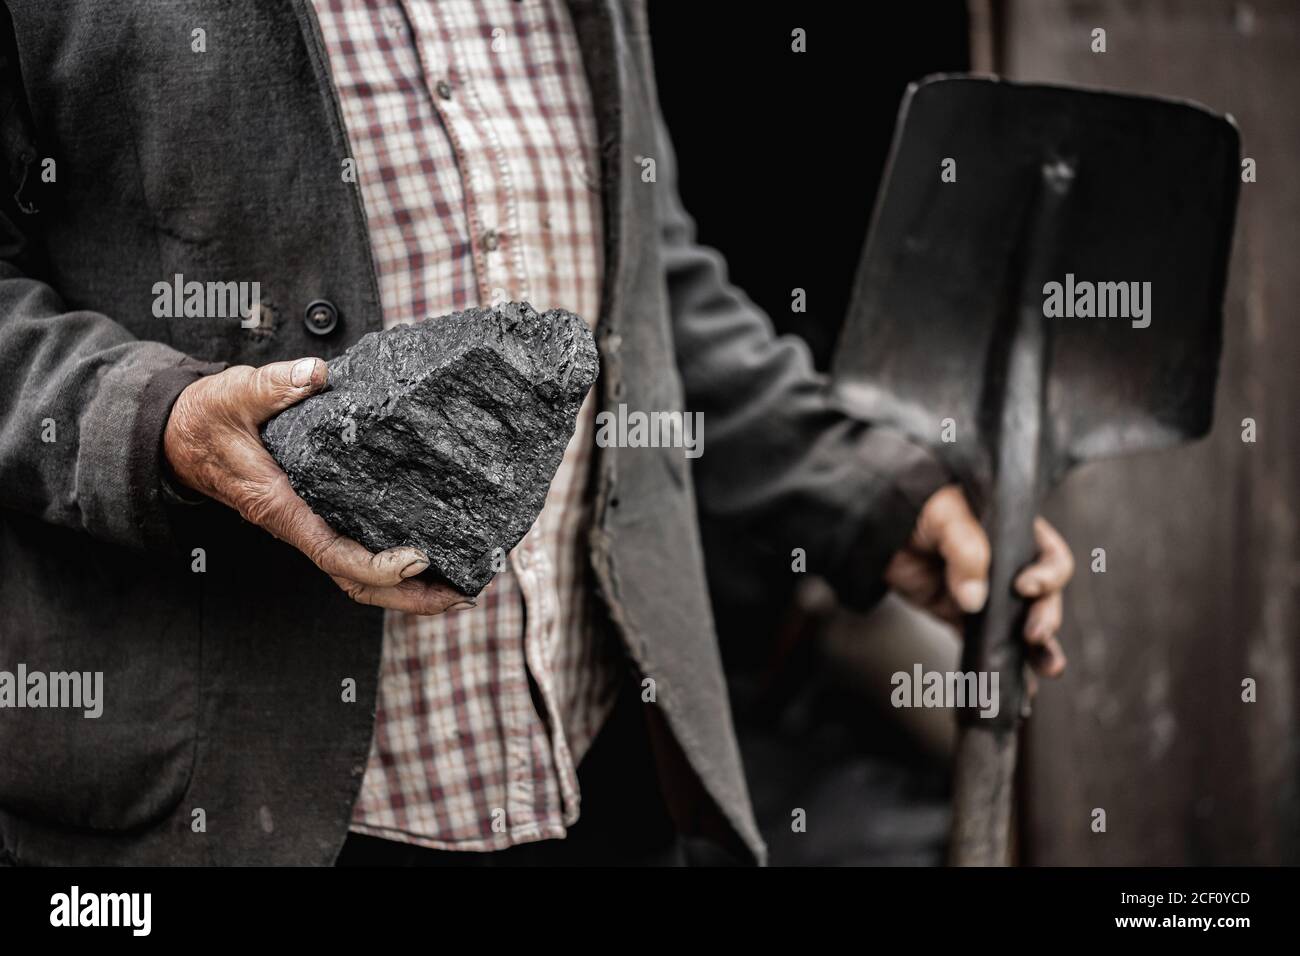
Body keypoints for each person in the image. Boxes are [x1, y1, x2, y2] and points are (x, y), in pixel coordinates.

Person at [0, 0, 1071, 866]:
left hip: (597, 775)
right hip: (243, 805)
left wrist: (867, 488)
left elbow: (645, 288)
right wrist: (162, 423)